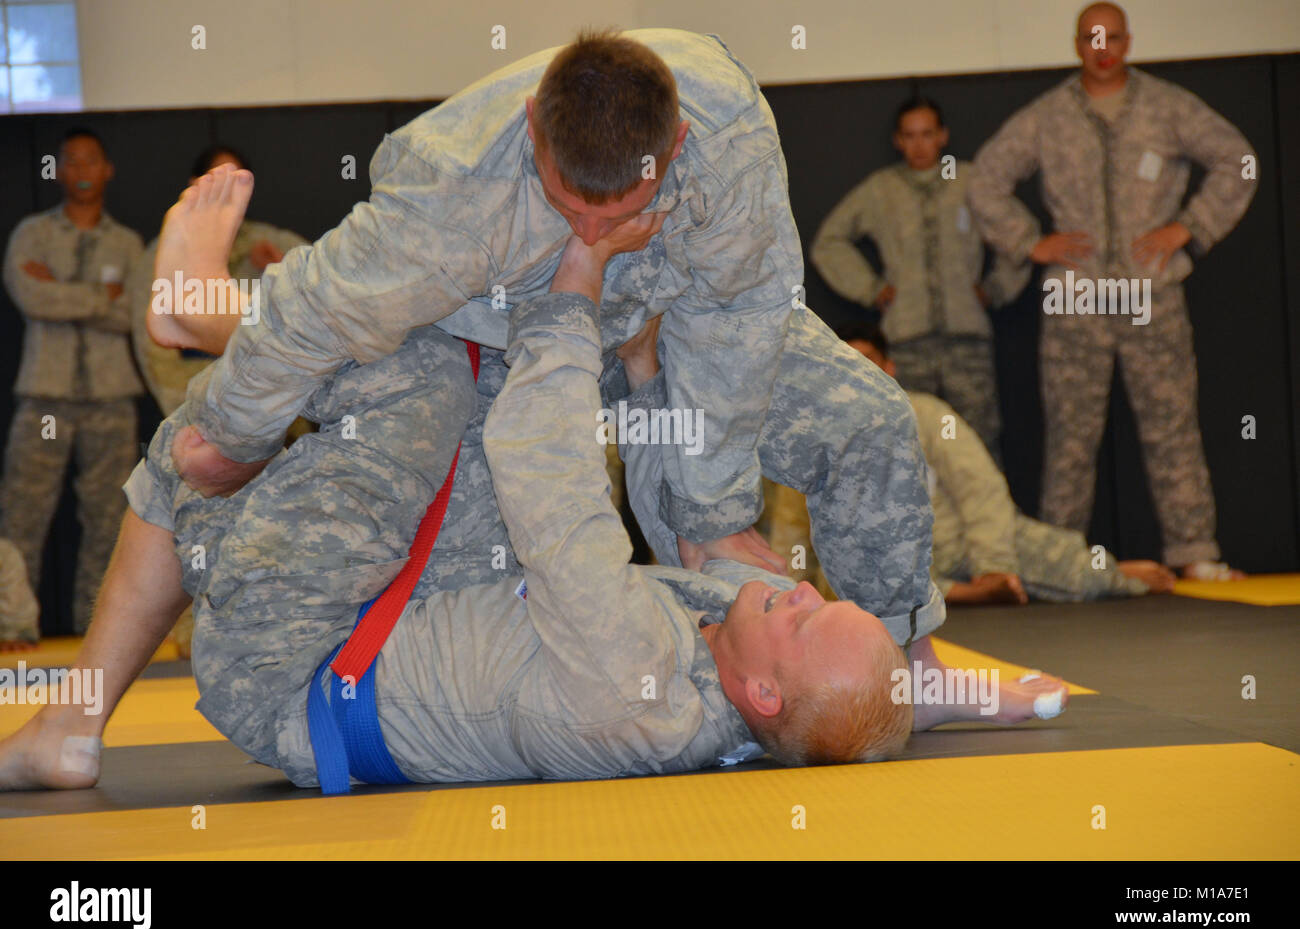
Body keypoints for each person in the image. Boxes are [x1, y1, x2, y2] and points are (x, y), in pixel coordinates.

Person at [0, 178, 1074, 793]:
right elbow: (760, 619)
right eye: (816, 595)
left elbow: (545, 472)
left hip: (294, 666)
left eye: (798, 617)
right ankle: (76, 721)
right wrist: (641, 371)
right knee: (471, 368)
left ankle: (208, 316)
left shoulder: (637, 677)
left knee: (393, 382)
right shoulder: (753, 679)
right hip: (420, 619)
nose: (796, 588)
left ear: (761, 695)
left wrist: (580, 287)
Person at [152, 28, 945, 650]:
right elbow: (320, 307)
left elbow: (739, 318)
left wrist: (712, 508)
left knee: (868, 420)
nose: (592, 235)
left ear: (676, 144)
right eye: (571, 209)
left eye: (618, 211)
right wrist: (237, 434)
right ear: (532, 126)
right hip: (507, 346)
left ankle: (907, 662)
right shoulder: (454, 185)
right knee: (480, 588)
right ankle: (199, 299)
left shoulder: (727, 135)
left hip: (672, 313)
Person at [967, 2, 1257, 580]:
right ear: (1077, 44)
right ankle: (1061, 561)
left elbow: (1239, 160)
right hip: (1077, 297)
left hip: (1151, 292)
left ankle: (1194, 551)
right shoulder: (1050, 114)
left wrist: (1189, 228)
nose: (1102, 48)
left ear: (1128, 41)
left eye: (1113, 37)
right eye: (1091, 38)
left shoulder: (1167, 105)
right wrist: (1030, 241)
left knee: (1172, 424)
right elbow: (985, 180)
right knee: (1071, 437)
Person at [846, 323, 1176, 604]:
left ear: (889, 368)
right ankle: (963, 594)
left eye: (868, 360)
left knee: (1079, 570)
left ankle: (1113, 571)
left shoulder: (929, 416)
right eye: (849, 364)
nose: (860, 372)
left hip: (967, 542)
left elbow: (980, 485)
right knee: (862, 579)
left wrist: (991, 564)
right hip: (901, 565)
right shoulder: (828, 437)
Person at [811, 96, 1029, 464]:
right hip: (906, 342)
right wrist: (871, 289)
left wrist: (996, 288)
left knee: (979, 443)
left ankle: (986, 505)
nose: (919, 145)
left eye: (927, 134)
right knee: (908, 443)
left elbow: (1020, 234)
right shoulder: (881, 189)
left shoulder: (969, 181)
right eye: (910, 136)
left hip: (967, 341)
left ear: (943, 136)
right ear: (897, 140)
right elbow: (828, 243)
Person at [1, 128, 144, 637]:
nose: (82, 171)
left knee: (110, 521)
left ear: (107, 170)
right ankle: (11, 627)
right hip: (46, 396)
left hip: (112, 398)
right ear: (57, 170)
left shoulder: (127, 244)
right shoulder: (32, 234)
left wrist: (62, 290)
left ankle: (98, 635)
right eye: (71, 161)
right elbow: (32, 296)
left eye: (91, 161)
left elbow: (134, 313)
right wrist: (101, 297)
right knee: (22, 514)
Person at [127, 144, 310, 417]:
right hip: (194, 384)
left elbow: (317, 302)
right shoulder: (163, 252)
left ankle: (215, 313)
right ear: (195, 182)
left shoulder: (270, 242)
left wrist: (280, 268)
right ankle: (210, 311)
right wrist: (179, 403)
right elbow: (151, 348)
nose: (227, 187)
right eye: (216, 177)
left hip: (267, 387)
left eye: (236, 179)